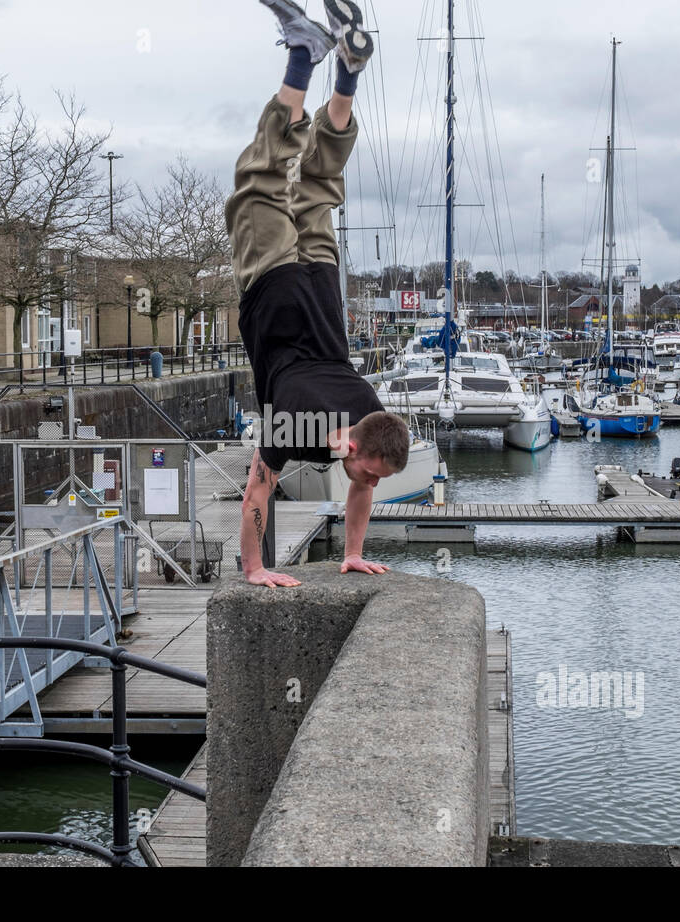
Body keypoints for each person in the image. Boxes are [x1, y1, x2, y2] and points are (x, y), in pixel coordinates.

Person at [230, 0, 412, 588]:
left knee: (317, 185)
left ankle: (349, 74)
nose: (371, 482)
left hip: (324, 287)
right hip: (276, 291)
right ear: (357, 442)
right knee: (262, 177)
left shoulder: (369, 415)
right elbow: (259, 486)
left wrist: (352, 551)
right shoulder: (299, 431)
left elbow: (359, 483)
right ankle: (306, 55)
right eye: (372, 471)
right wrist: (255, 569)